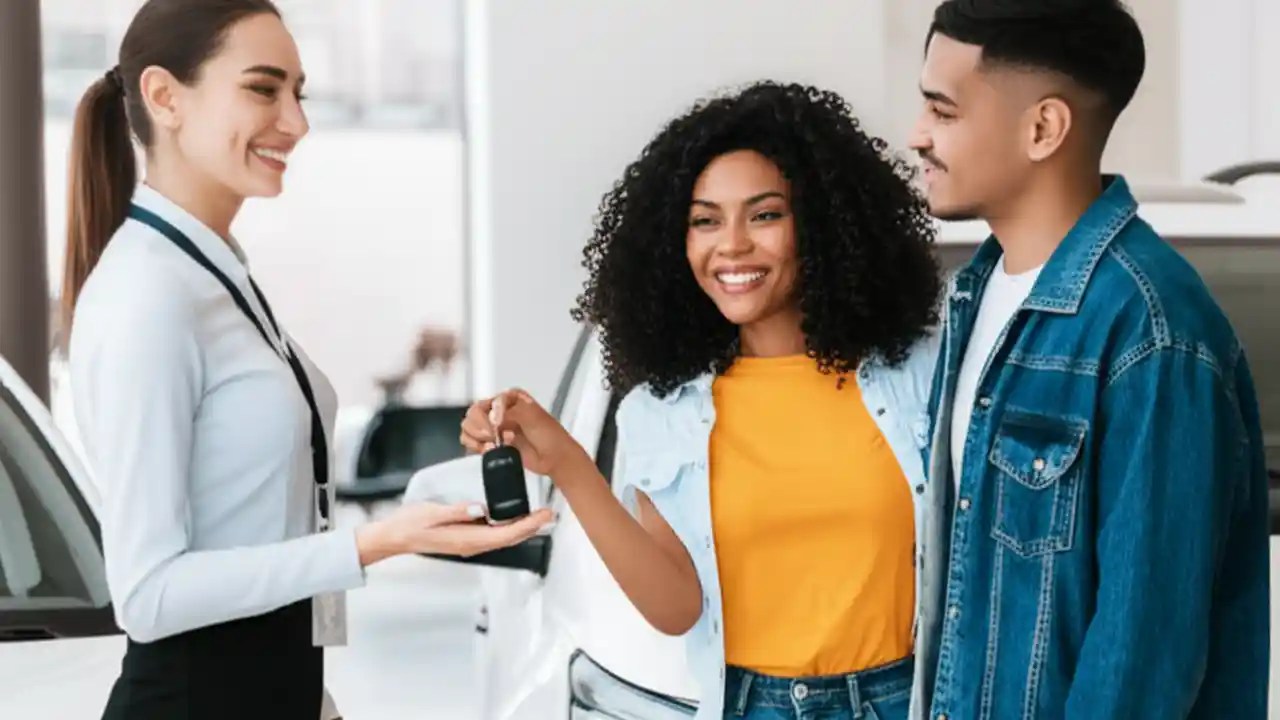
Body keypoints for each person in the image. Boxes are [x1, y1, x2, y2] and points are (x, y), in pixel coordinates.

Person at [63, 2, 550, 718]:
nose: (296, 122)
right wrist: (375, 542)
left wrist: (432, 498)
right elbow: (150, 596)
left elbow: (258, 527)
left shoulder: (214, 270)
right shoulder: (148, 296)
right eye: (264, 89)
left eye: (300, 93)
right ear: (166, 97)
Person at [461, 81, 943, 720]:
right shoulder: (662, 412)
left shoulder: (920, 375)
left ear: (824, 225)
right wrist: (571, 468)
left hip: (904, 699)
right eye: (705, 220)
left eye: (765, 214)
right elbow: (676, 609)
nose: (732, 244)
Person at [906, 2, 1270, 718]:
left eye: (942, 112)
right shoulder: (973, 298)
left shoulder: (1153, 332)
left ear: (1043, 128)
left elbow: (1141, 664)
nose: (917, 135)